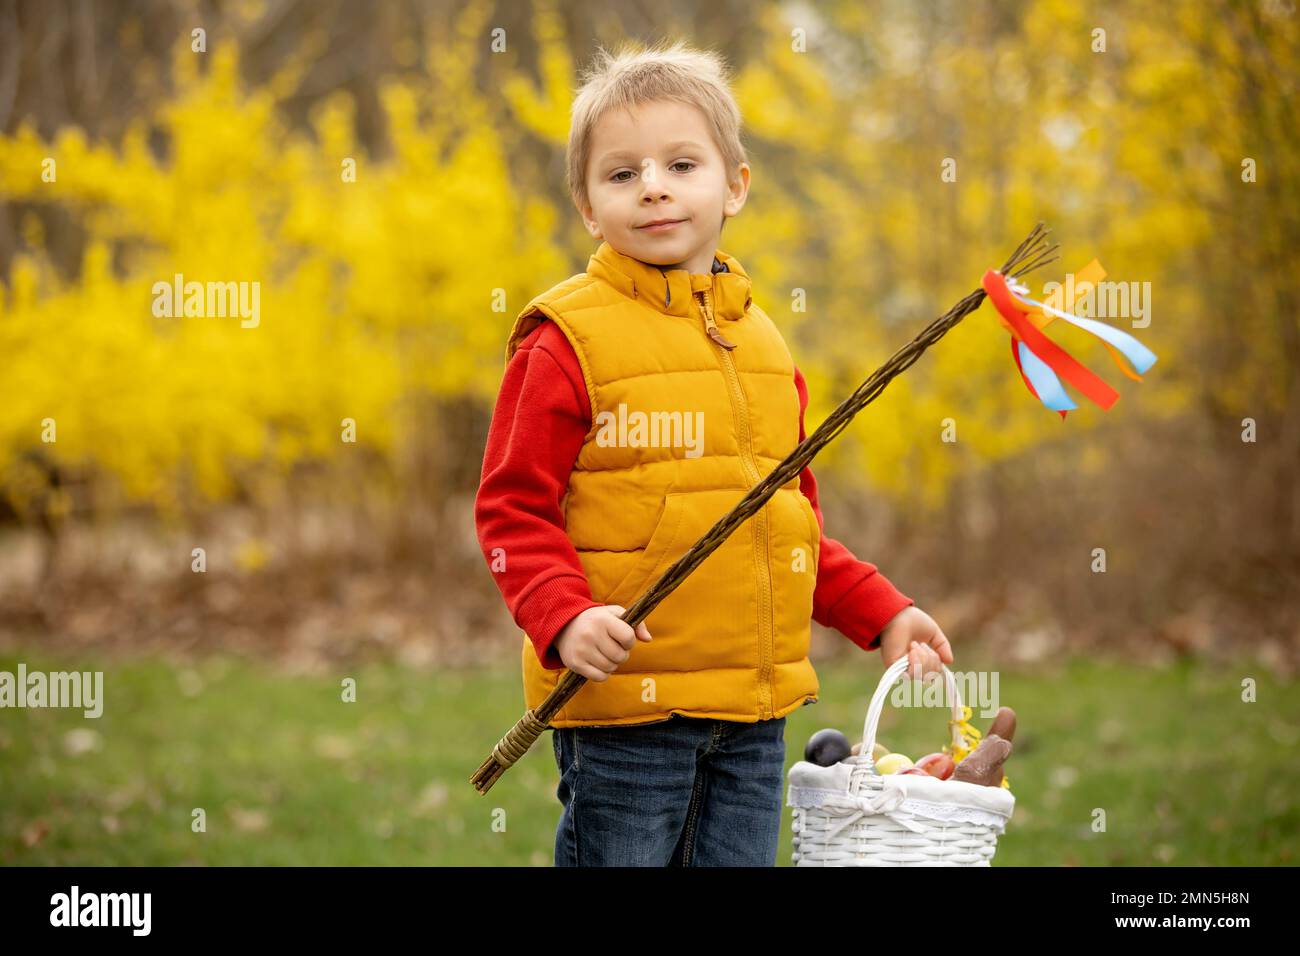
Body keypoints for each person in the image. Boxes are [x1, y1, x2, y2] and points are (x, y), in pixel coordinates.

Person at [474, 40, 953, 866]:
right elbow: (511, 508)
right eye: (621, 174)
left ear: (734, 185)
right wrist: (565, 617)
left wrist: (883, 614)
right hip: (628, 714)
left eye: (681, 163)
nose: (653, 185)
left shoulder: (764, 347)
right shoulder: (566, 340)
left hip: (752, 721)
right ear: (588, 207)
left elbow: (786, 527)